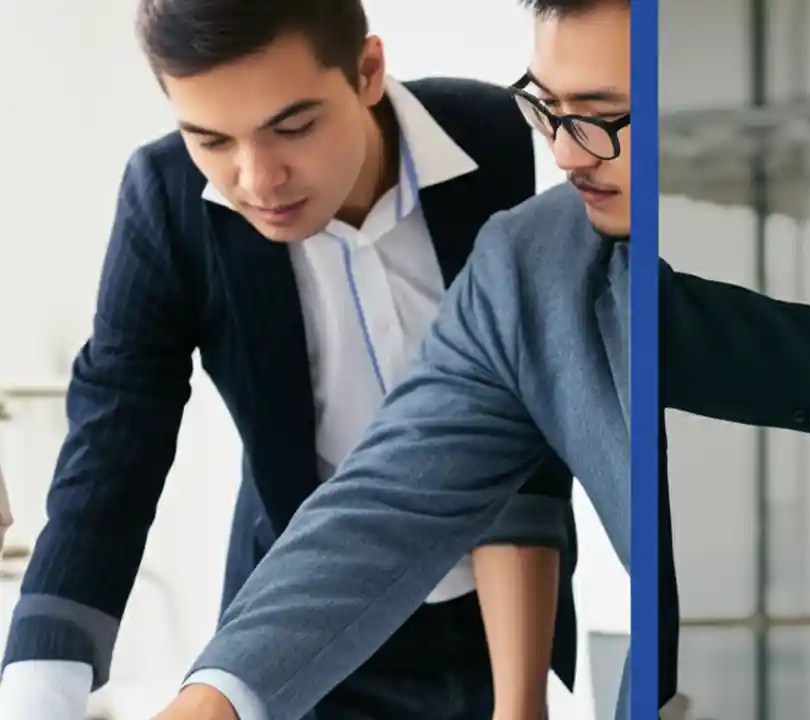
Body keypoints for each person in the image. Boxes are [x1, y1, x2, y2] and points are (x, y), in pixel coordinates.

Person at [142, 0, 810, 716]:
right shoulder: (529, 261)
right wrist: (215, 699)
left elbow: (707, 326)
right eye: (547, 108)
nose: (564, 152)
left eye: (600, 115)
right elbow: (386, 499)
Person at [0, 1, 579, 719]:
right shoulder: (167, 199)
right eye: (210, 139)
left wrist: (520, 702)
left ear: (368, 71)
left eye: (294, 127)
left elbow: (514, 424)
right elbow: (114, 447)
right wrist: (36, 699)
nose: (257, 179)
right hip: (300, 617)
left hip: (499, 616)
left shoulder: (490, 138)